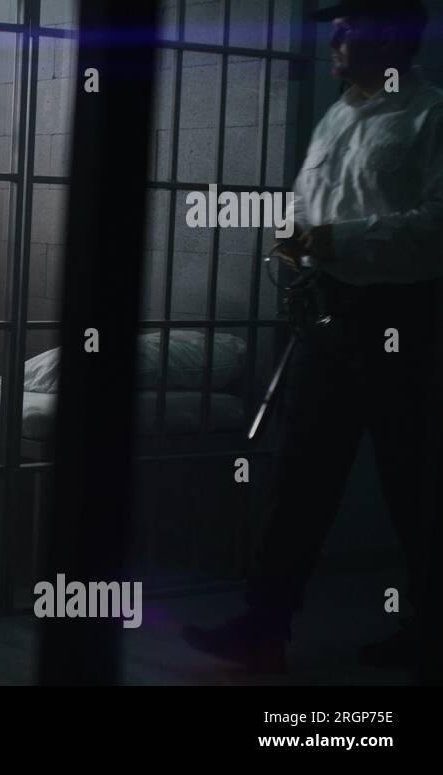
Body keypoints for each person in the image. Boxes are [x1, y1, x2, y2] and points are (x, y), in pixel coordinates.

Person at [183, 0, 443, 678]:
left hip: (399, 320)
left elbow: (437, 228)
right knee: (299, 478)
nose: (334, 32)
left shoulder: (432, 115)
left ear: (389, 33)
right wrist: (296, 246)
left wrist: (334, 240)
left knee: (413, 483)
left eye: (350, 21)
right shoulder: (334, 116)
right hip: (326, 318)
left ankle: (431, 629)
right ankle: (264, 627)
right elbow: (305, 207)